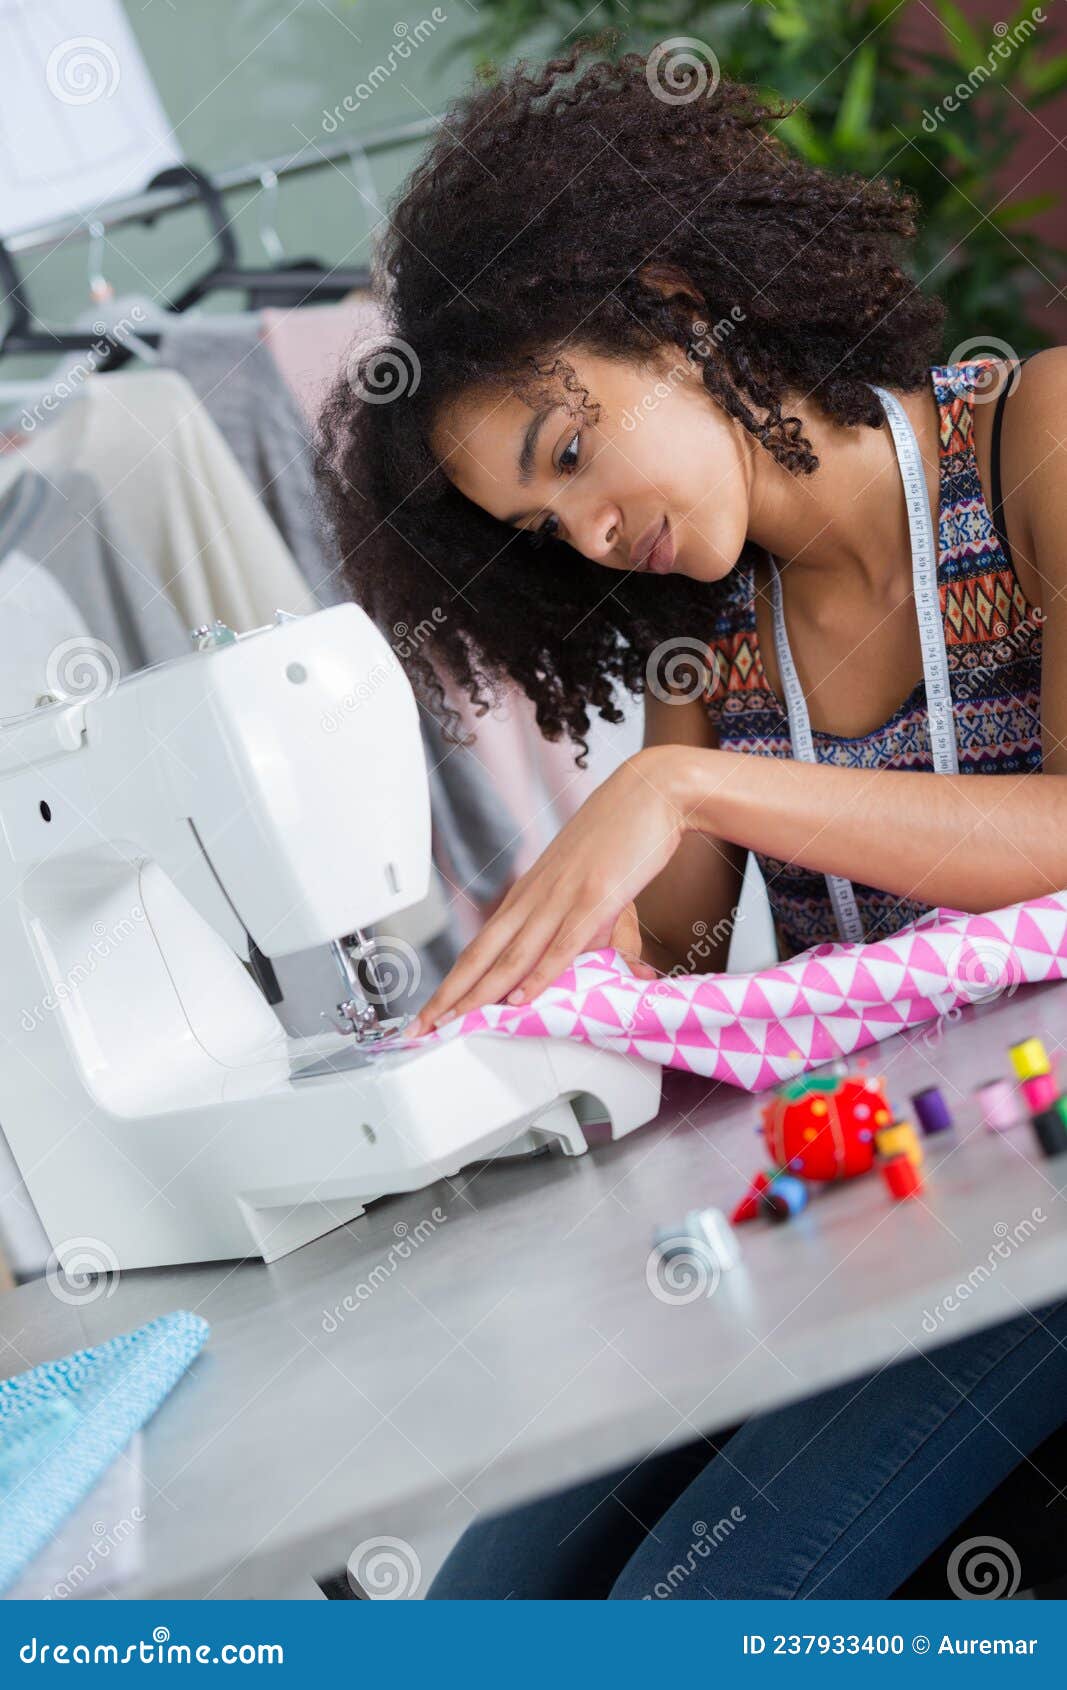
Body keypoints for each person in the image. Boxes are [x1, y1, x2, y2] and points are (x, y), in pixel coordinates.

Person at [318, 46, 1067, 1598]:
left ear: (675, 303)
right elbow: (659, 970)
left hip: (1038, 1196)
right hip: (865, 1193)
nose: (592, 531)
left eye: (574, 451)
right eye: (545, 526)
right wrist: (517, 992)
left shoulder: (1030, 443)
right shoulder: (711, 638)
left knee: (687, 1609)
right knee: (480, 1610)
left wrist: (681, 785)